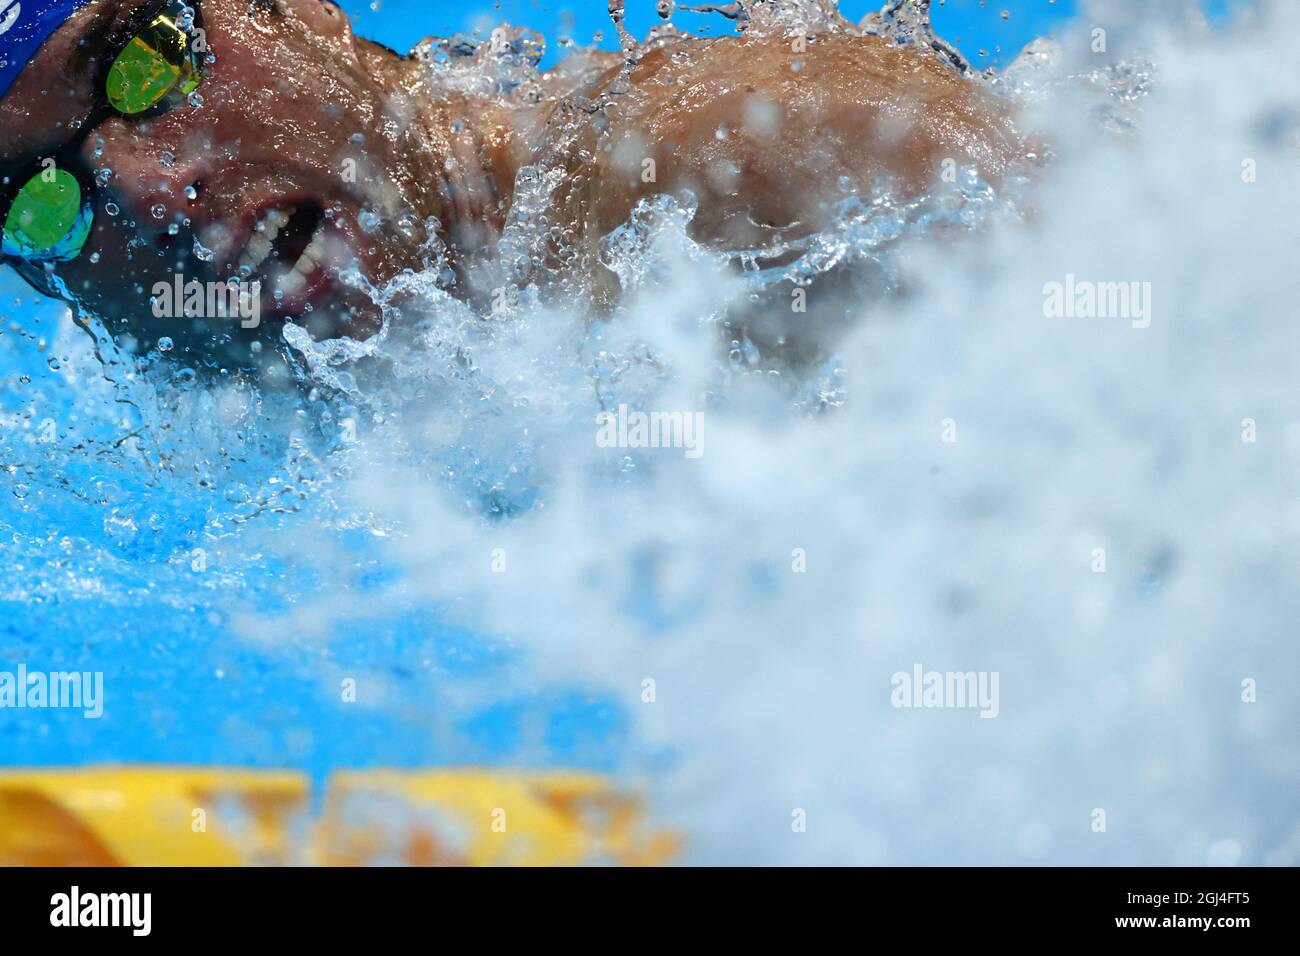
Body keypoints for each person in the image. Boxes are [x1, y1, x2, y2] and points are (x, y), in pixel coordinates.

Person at [0, 0, 1024, 366]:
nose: (144, 191)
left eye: (147, 58)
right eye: (41, 194)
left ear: (290, 7)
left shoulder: (727, 170)